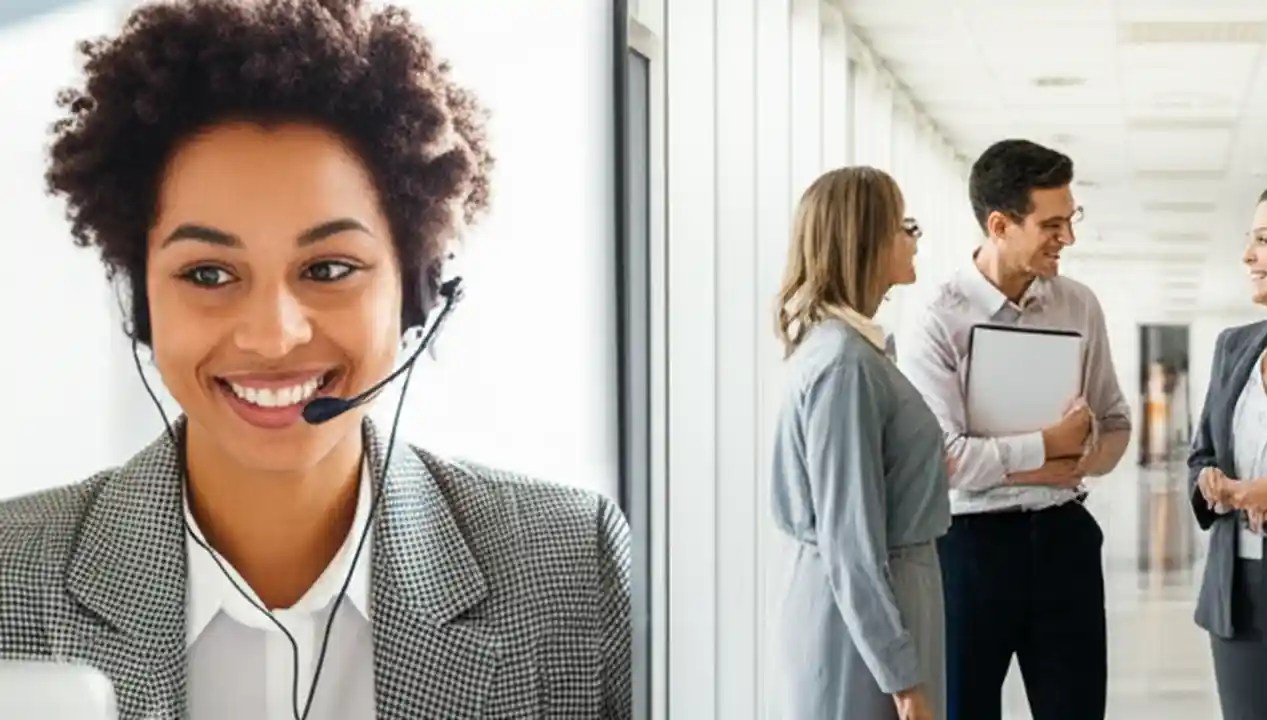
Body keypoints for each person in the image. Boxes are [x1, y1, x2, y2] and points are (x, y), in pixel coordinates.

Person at [0, 2, 631, 719]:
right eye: (208, 273)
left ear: (415, 291)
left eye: (328, 269)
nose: (273, 337)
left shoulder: (571, 567)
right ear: (141, 300)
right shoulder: (10, 576)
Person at [896, 139, 1131, 720]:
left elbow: (1116, 425)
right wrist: (1048, 448)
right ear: (999, 225)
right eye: (1051, 225)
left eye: (1071, 220)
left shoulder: (1079, 306)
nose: (1067, 238)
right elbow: (946, 460)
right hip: (969, 549)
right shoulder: (937, 319)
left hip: (1065, 540)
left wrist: (1077, 460)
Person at [770, 166, 951, 720]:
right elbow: (850, 541)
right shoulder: (845, 365)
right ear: (865, 240)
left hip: (884, 600)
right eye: (903, 226)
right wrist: (903, 678)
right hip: (868, 616)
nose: (913, 239)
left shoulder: (853, 353)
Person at [1190, 182, 1267, 719]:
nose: (1247, 255)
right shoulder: (1235, 346)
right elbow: (1202, 452)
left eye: (1264, 240)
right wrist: (1209, 481)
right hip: (1235, 589)